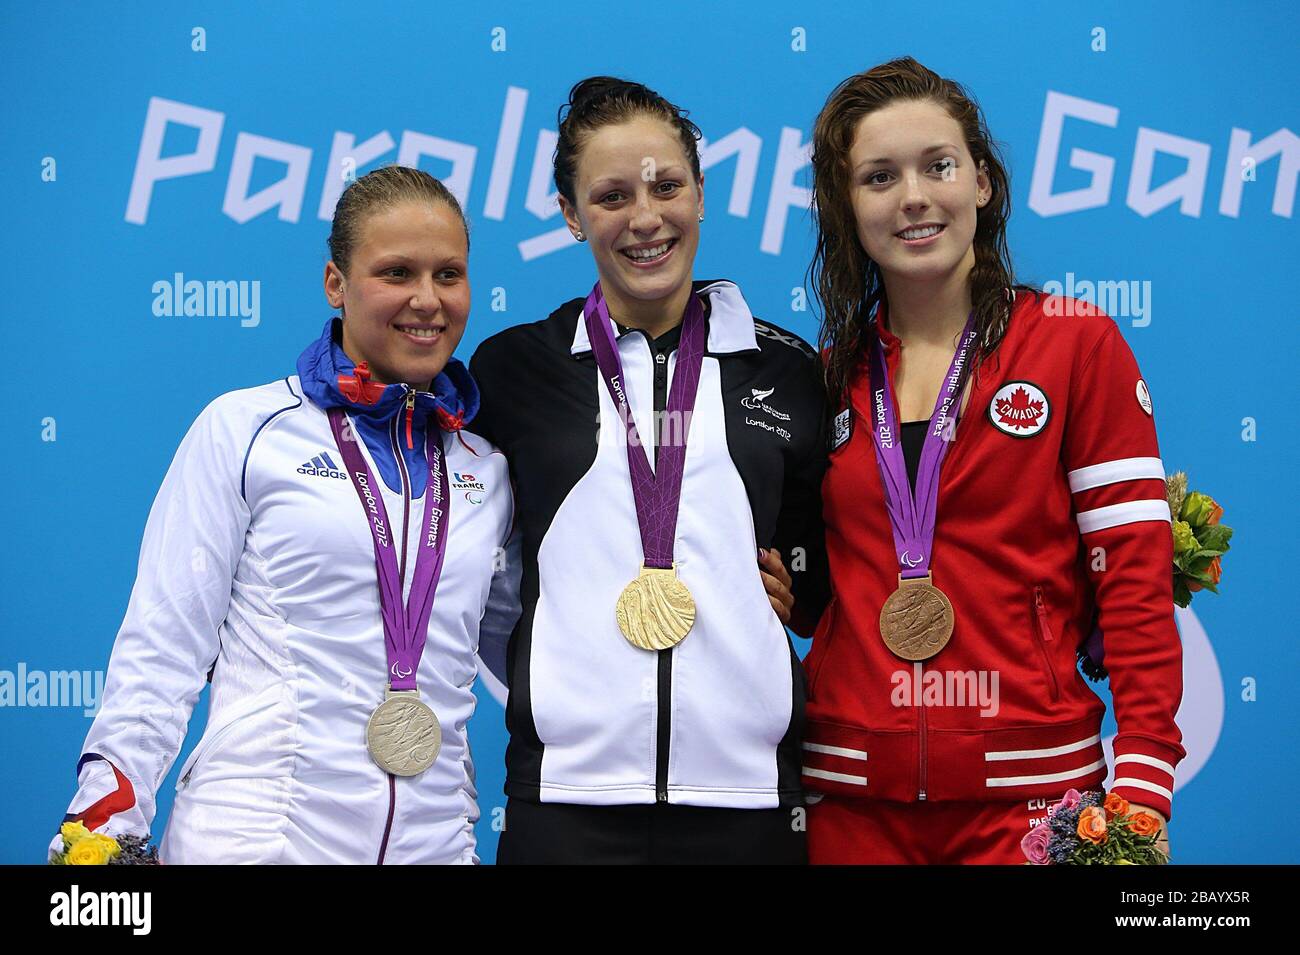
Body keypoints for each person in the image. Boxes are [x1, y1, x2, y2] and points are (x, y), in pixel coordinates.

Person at [52, 167, 515, 864]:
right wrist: (98, 829)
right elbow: (163, 647)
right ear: (336, 282)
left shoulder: (487, 467)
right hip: (255, 842)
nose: (427, 299)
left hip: (435, 846)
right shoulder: (245, 430)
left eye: (449, 274)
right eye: (396, 272)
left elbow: (540, 658)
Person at [797, 57, 1184, 864]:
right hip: (850, 798)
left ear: (981, 181)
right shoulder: (829, 374)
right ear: (847, 208)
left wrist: (1144, 768)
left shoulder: (1076, 344)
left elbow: (1135, 571)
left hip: (1036, 801)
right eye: (878, 176)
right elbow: (820, 583)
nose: (913, 196)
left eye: (938, 165)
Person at [469, 77, 829, 864]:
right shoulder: (512, 371)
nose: (645, 217)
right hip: (564, 803)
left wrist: (773, 585)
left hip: (751, 803)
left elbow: (825, 584)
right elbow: (468, 566)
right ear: (571, 215)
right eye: (610, 195)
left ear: (701, 195)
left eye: (667, 186)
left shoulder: (790, 369)